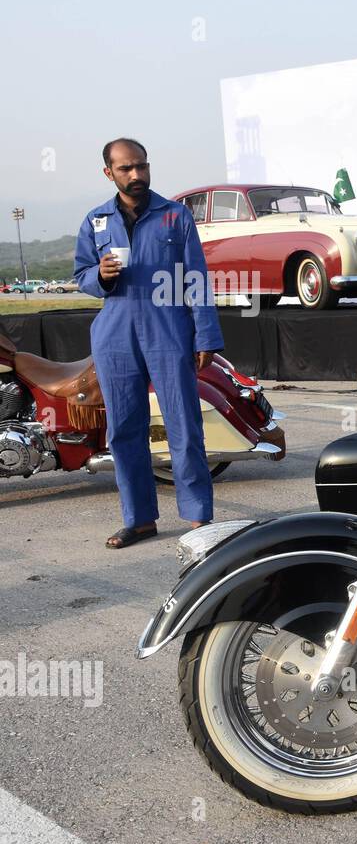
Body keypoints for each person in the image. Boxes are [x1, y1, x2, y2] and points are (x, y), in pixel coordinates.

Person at [73, 138, 224, 548]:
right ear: (109, 173)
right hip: (115, 333)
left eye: (141, 166)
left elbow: (196, 277)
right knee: (124, 429)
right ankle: (139, 519)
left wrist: (205, 333)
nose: (136, 175)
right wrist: (99, 275)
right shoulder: (96, 220)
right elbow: (82, 275)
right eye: (126, 169)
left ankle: (198, 518)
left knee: (184, 424)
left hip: (168, 329)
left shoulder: (175, 217)